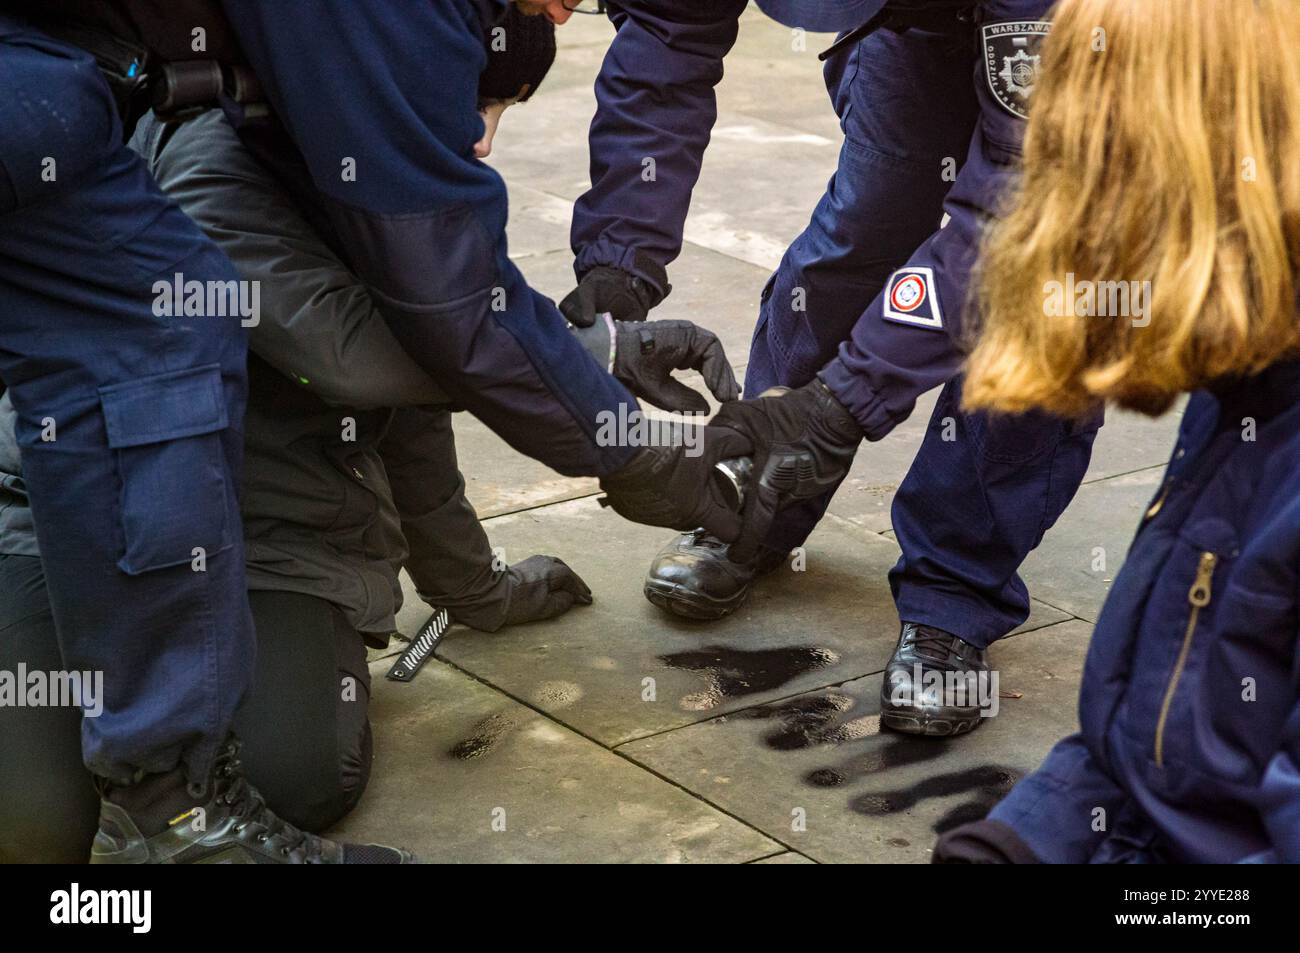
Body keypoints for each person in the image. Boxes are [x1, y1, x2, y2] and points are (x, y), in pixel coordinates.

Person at [0, 0, 742, 864]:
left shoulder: (349, 152)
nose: (482, 138)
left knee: (298, 771)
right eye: (479, 103)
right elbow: (371, 352)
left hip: (279, 546)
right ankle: (171, 813)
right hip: (77, 534)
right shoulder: (212, 159)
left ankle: (174, 809)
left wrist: (478, 591)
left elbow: (416, 417)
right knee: (34, 822)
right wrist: (604, 375)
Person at [563, 0, 1101, 737]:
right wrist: (616, 273)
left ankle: (953, 590)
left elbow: (1024, 206)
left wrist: (843, 402)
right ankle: (759, 498)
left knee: (1044, 298)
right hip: (910, 27)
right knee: (865, 221)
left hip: (1080, 35)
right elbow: (667, 35)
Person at [931, 0, 1300, 863]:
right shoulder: (1254, 382)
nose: (1065, 207)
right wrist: (1020, 841)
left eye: (1099, 163)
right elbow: (1154, 752)